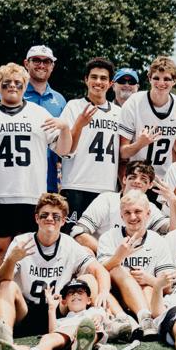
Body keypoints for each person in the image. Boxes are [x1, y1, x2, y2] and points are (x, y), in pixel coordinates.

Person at [0, 63, 73, 316]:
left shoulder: (38, 113)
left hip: (30, 195)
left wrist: (66, 127)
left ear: (25, 86)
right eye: (6, 83)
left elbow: (64, 150)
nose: (12, 87)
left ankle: (21, 307)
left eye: (17, 83)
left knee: (26, 255)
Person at [0, 194, 108, 343]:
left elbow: (99, 269)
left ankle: (98, 322)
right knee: (7, 286)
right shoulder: (22, 241)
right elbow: (0, 279)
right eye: (44, 215)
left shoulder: (69, 244)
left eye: (55, 216)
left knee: (89, 279)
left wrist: (104, 292)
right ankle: (4, 332)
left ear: (63, 221)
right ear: (36, 218)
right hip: (26, 311)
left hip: (59, 309)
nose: (49, 219)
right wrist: (11, 259)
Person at [96, 189, 175, 337]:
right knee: (116, 269)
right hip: (117, 296)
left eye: (138, 211)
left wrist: (148, 279)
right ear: (121, 215)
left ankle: (142, 322)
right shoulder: (108, 237)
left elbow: (168, 286)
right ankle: (139, 321)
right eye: (127, 213)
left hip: (147, 297)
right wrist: (118, 257)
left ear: (148, 213)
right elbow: (98, 272)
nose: (132, 217)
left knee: (148, 287)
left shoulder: (158, 241)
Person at [59, 57, 122, 226]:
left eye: (103, 78)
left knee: (102, 242)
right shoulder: (74, 106)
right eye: (94, 77)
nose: (98, 82)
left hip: (107, 187)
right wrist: (79, 125)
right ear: (86, 79)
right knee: (72, 239)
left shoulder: (119, 113)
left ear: (110, 83)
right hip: (76, 184)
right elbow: (65, 149)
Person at [0, 280, 113, 350]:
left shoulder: (94, 311)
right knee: (50, 337)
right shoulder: (64, 320)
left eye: (80, 292)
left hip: (89, 330)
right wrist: (52, 309)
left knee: (88, 328)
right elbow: (53, 331)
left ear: (89, 300)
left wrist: (97, 318)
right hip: (67, 332)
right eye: (70, 293)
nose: (75, 294)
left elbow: (101, 316)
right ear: (64, 302)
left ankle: (80, 346)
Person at [70, 162, 175, 253]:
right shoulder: (107, 199)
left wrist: (173, 201)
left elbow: (174, 233)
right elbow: (78, 232)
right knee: (85, 251)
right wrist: (110, 255)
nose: (137, 181)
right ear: (124, 179)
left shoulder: (150, 208)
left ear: (150, 185)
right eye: (132, 177)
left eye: (143, 179)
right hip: (104, 259)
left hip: (136, 264)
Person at [118, 56, 176, 181]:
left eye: (167, 79)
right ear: (149, 78)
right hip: (137, 178)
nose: (161, 83)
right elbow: (123, 153)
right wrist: (140, 144)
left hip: (164, 180)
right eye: (156, 78)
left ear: (174, 81)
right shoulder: (134, 103)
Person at [20, 45, 67, 192]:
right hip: (18, 177)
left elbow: (65, 141)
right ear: (26, 63)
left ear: (52, 66)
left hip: (50, 178)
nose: (41, 65)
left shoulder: (60, 100)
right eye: (36, 60)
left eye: (46, 61)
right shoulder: (12, 92)